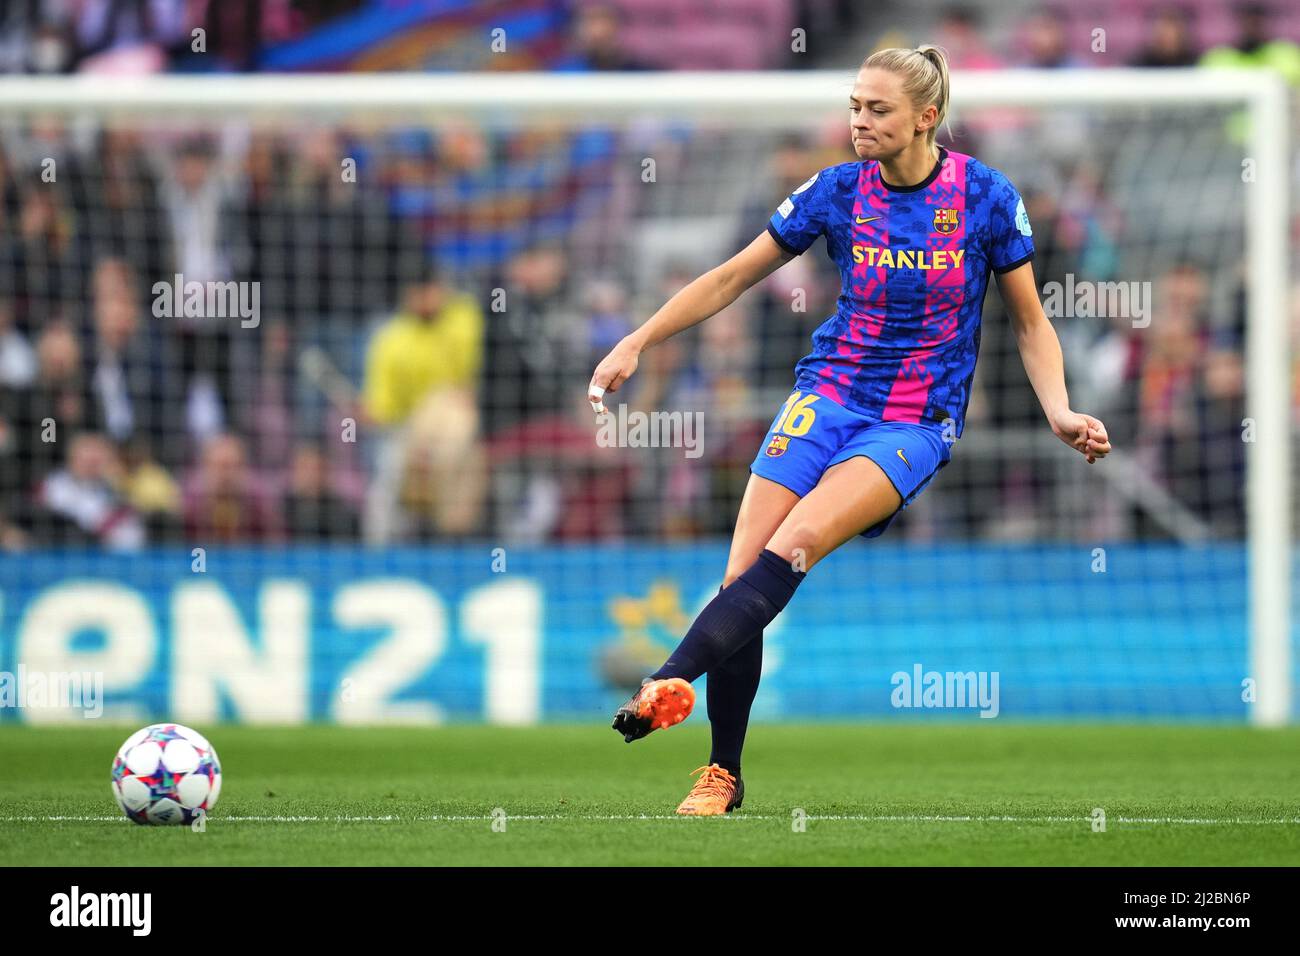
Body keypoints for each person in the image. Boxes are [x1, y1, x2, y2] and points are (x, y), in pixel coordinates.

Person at [587, 46, 1111, 815]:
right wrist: (639, 339)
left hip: (915, 417)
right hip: (825, 396)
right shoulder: (836, 191)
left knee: (791, 548)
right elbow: (734, 275)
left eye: (878, 109)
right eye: (855, 105)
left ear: (926, 118)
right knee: (741, 578)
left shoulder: (985, 198)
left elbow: (1031, 324)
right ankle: (722, 775)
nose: (859, 121)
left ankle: (667, 678)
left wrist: (1059, 408)